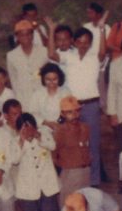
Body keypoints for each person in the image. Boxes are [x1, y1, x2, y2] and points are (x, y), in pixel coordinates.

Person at [46, 17, 108, 187]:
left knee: (92, 144)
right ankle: (75, 180)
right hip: (72, 106)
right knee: (73, 143)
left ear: (90, 43)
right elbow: (51, 54)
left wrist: (102, 30)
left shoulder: (94, 57)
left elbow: (103, 52)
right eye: (79, 42)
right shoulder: (68, 56)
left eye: (86, 42)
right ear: (75, 42)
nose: (83, 45)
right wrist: (51, 29)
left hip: (91, 105)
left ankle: (94, 182)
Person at [9, 112, 60, 211]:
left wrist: (37, 135)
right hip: (28, 189)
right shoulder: (14, 141)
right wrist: (21, 141)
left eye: (30, 127)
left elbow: (52, 146)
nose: (28, 132)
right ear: (18, 130)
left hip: (48, 187)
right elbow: (14, 160)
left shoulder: (44, 134)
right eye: (23, 129)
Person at [53, 96, 91, 204]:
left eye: (77, 111)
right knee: (68, 207)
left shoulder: (85, 128)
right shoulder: (60, 131)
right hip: (70, 173)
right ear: (62, 114)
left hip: (86, 171)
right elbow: (53, 155)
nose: (74, 115)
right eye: (69, 112)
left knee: (83, 206)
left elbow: (87, 149)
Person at [7, 19, 49, 106]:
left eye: (28, 34)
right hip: (25, 99)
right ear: (17, 37)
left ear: (32, 35)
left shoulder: (43, 51)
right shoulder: (11, 56)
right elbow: (14, 80)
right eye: (21, 34)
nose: (25, 37)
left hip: (44, 96)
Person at [27, 63, 71, 129]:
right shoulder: (37, 94)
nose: (51, 82)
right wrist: (47, 123)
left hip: (62, 126)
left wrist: (58, 124)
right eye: (48, 79)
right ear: (43, 79)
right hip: (43, 127)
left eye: (54, 79)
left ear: (59, 78)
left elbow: (69, 112)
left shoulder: (65, 92)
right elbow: (32, 113)